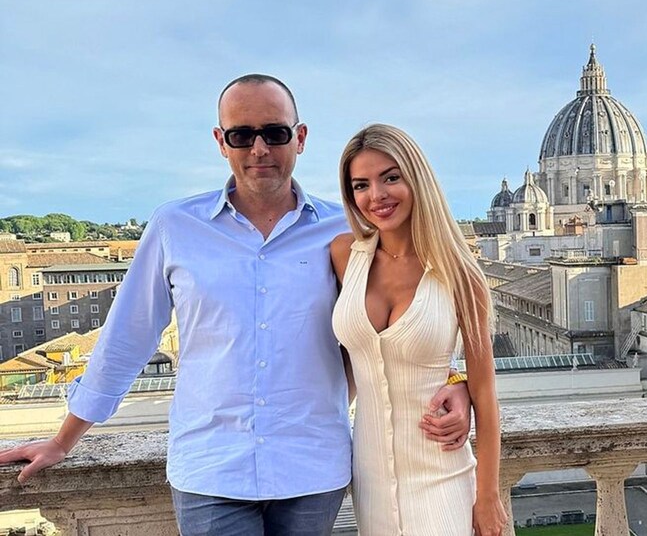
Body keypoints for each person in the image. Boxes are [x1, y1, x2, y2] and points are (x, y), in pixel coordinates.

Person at [0, 75, 472, 536]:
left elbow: (396, 324)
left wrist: (455, 381)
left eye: (275, 133)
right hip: (210, 472)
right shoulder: (173, 226)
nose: (259, 149)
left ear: (300, 138)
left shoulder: (348, 232)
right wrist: (64, 440)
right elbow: (128, 337)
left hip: (313, 469)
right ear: (220, 142)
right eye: (242, 135)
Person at [330, 123, 508, 536]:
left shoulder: (460, 275)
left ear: (416, 179)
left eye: (391, 177)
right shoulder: (343, 256)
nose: (376, 195)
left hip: (441, 473)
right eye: (361, 185)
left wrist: (487, 496)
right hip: (370, 478)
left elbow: (485, 393)